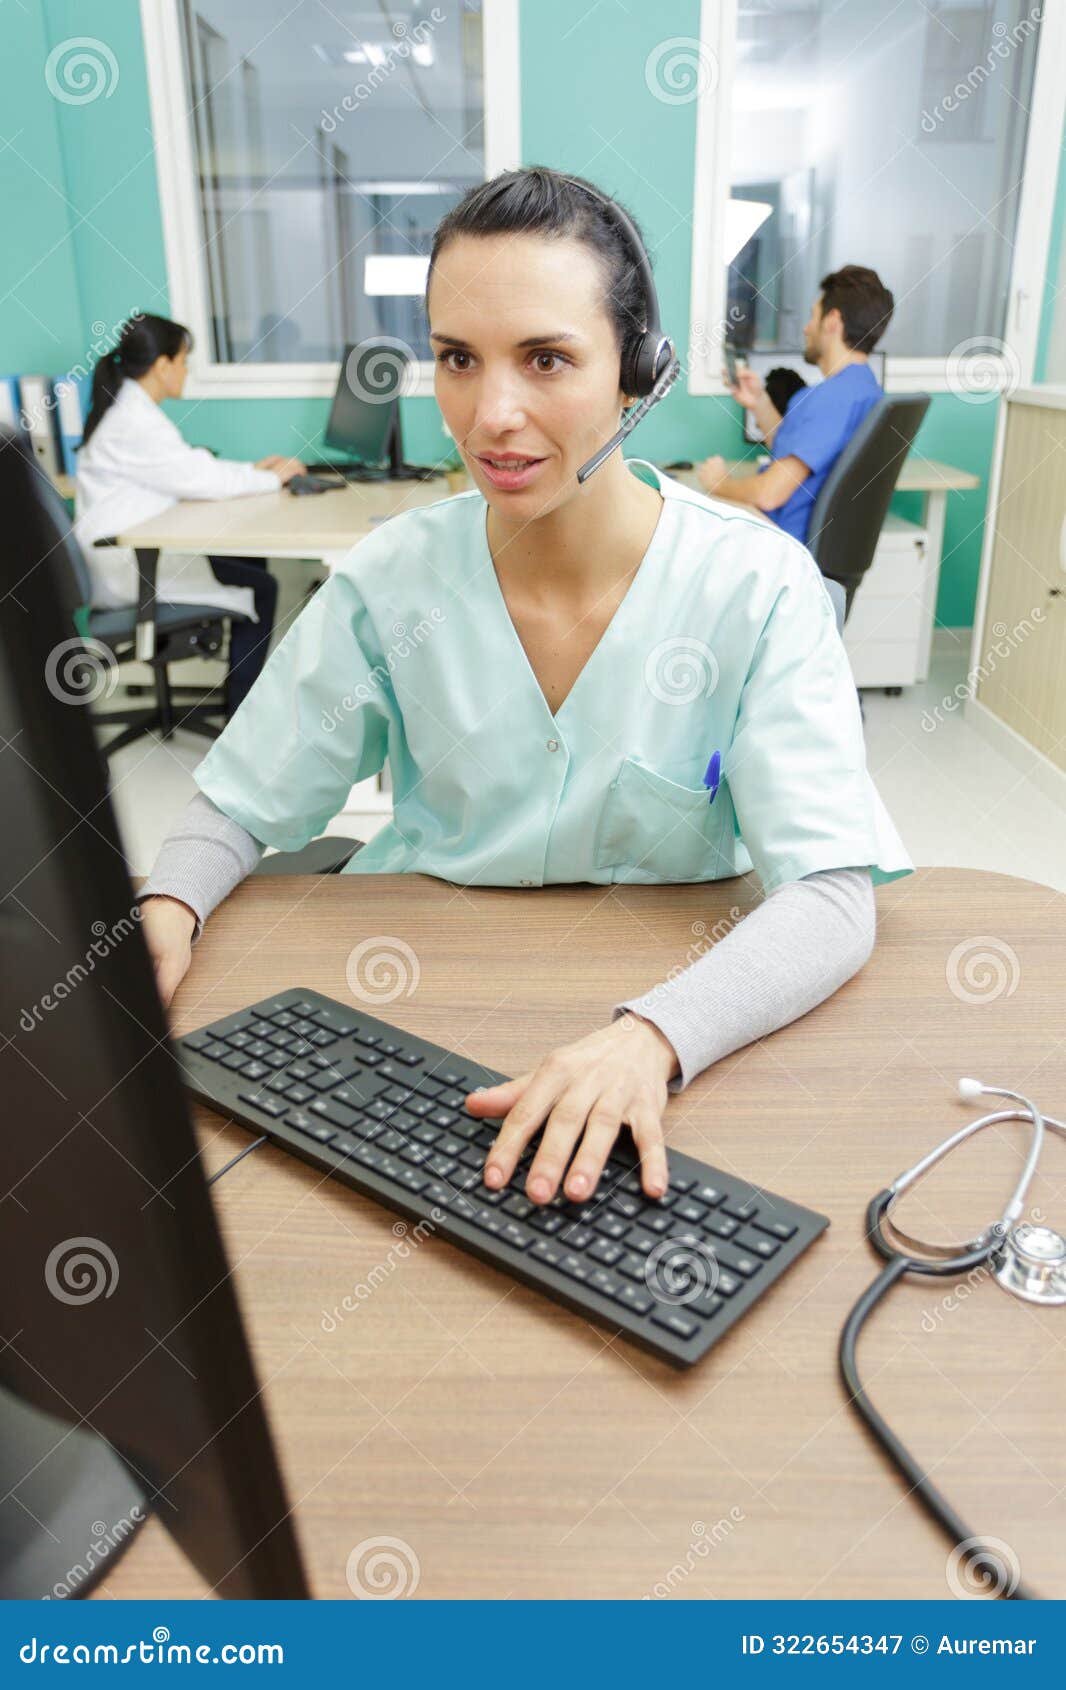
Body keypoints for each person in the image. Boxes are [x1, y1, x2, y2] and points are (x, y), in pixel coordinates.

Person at [136, 169, 913, 1208]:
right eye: (458, 358)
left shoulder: (756, 586)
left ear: (638, 372)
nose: (491, 415)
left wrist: (653, 1039)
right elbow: (238, 800)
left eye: (546, 358)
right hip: (410, 1008)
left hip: (669, 1019)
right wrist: (168, 902)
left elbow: (829, 895)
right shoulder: (393, 576)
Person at [75, 313, 306, 713]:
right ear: (162, 366)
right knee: (261, 586)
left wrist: (255, 472)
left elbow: (189, 469)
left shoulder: (131, 410)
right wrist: (276, 480)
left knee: (243, 561)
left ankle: (242, 706)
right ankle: (242, 721)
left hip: (133, 554)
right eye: (182, 360)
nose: (186, 370)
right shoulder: (135, 421)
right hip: (129, 567)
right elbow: (201, 479)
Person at [698, 266, 894, 544]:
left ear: (832, 321)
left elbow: (769, 494)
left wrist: (718, 482)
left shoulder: (830, 398)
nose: (806, 328)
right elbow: (805, 451)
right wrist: (759, 403)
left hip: (784, 552)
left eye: (813, 316)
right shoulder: (865, 389)